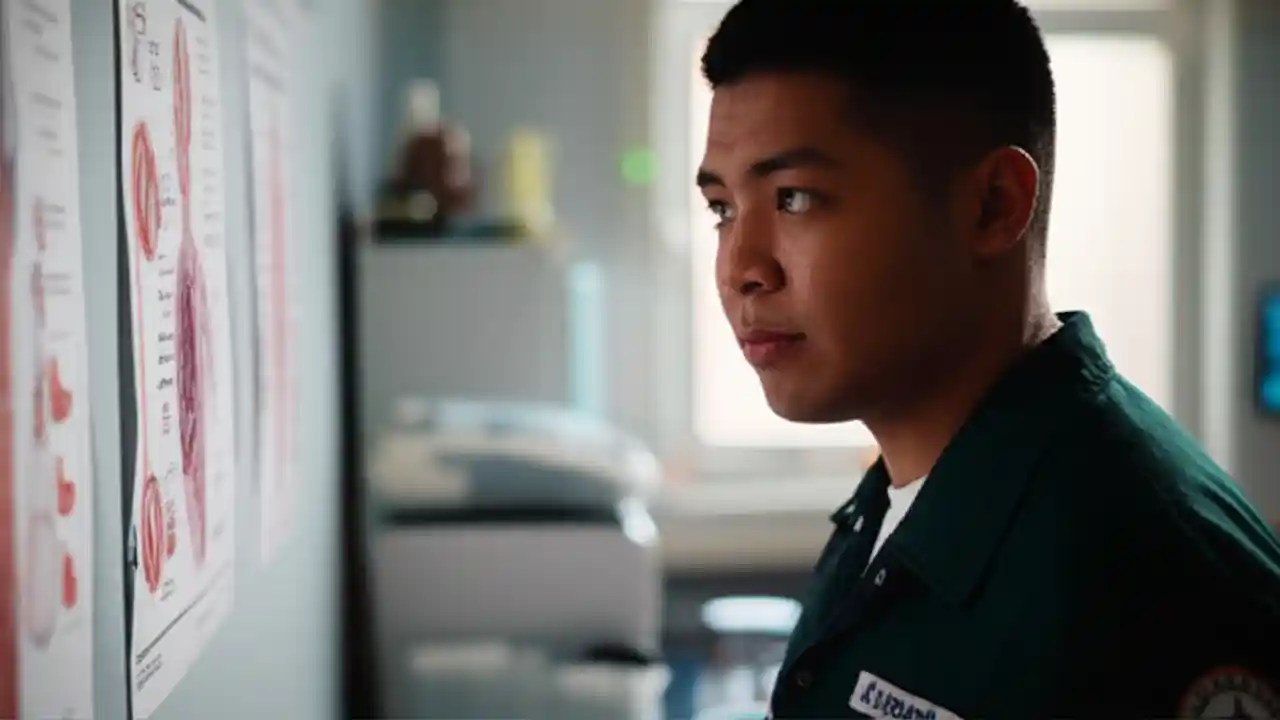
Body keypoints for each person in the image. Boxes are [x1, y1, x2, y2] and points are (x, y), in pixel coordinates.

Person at [694, 0, 1280, 717]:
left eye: (794, 198)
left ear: (993, 206)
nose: (740, 267)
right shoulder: (901, 502)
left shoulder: (1152, 578)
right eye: (723, 208)